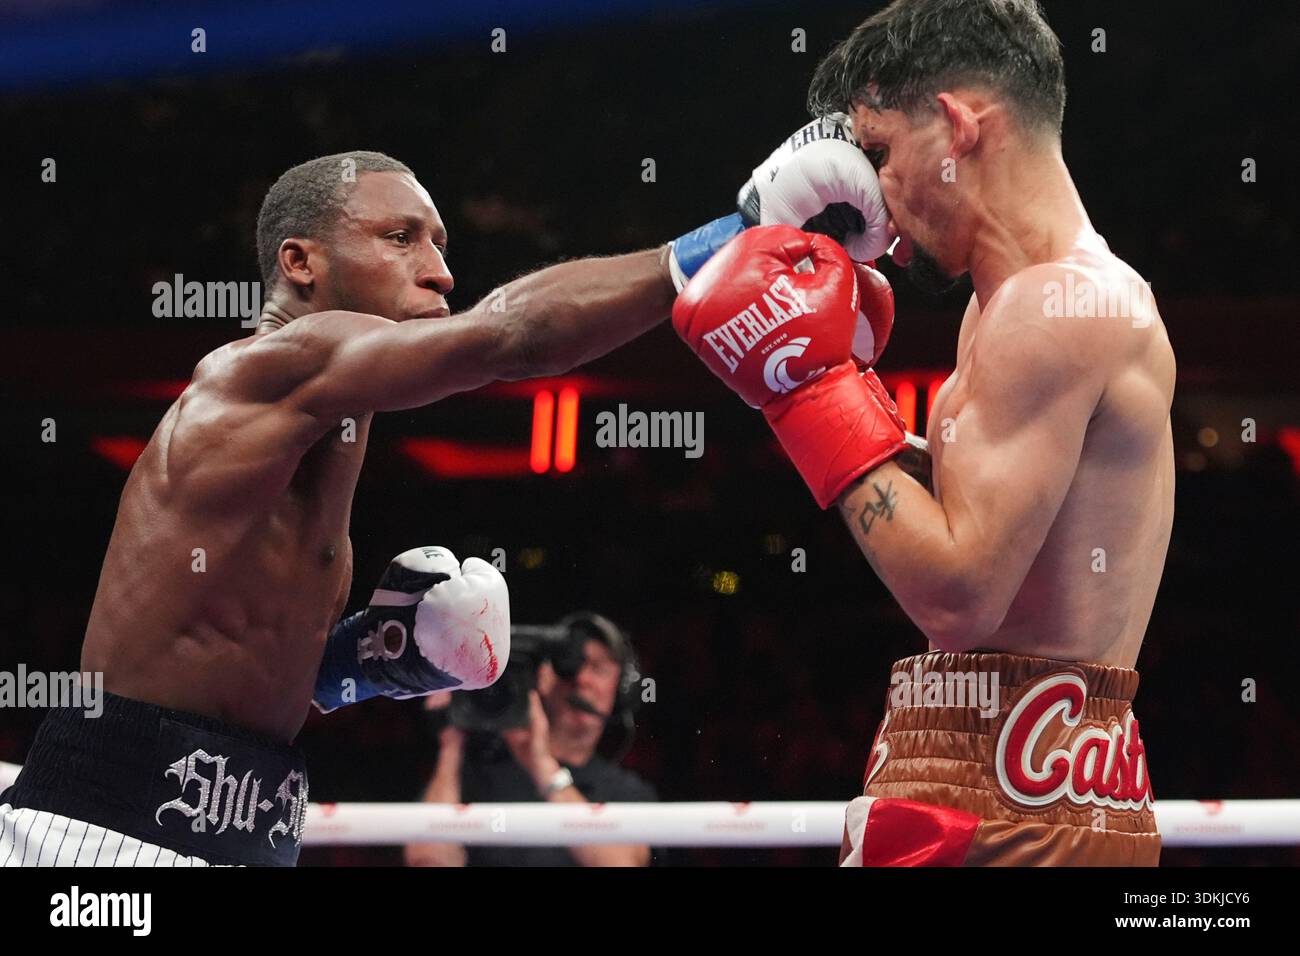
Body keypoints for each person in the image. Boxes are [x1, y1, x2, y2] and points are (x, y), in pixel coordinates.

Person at [1, 130, 890, 866]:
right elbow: (507, 338)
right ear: (299, 262)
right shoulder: (265, 369)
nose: (439, 272)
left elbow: (220, 668)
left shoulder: (327, 424)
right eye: (401, 239)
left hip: (220, 841)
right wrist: (726, 239)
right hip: (108, 840)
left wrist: (370, 662)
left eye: (440, 246)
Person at [672, 0, 1173, 865]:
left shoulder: (1055, 307)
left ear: (955, 124)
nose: (869, 192)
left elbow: (958, 596)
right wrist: (841, 390)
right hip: (1005, 775)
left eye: (877, 152)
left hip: (1011, 805)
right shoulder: (1014, 307)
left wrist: (806, 388)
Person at [406, 613, 656, 867]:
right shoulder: (476, 773)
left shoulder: (627, 792)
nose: (582, 681)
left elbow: (622, 863)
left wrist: (543, 769)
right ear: (544, 678)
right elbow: (427, 860)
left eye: (598, 669)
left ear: (623, 689)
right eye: (567, 668)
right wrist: (451, 744)